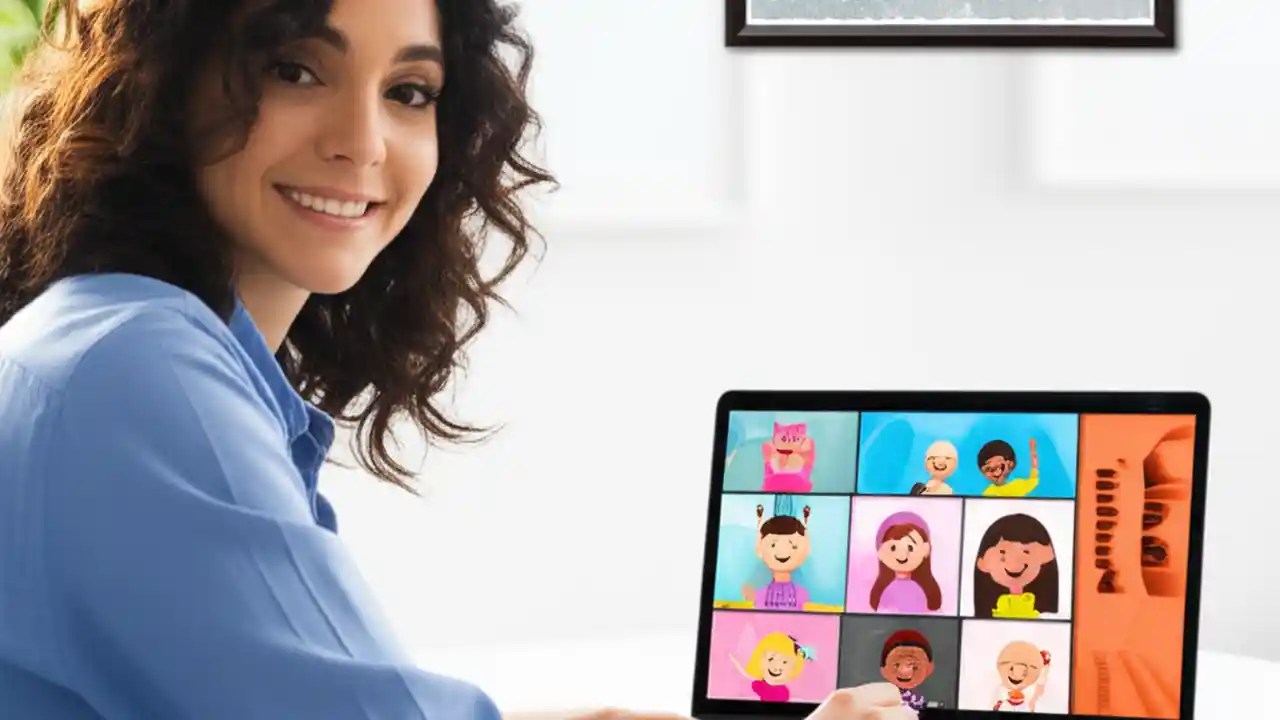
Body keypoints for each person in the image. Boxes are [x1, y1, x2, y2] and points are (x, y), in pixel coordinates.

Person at [0, 2, 915, 719]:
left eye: (410, 92)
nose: (361, 142)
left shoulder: (102, 337)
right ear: (165, 86)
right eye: (294, 69)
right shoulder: (138, 374)